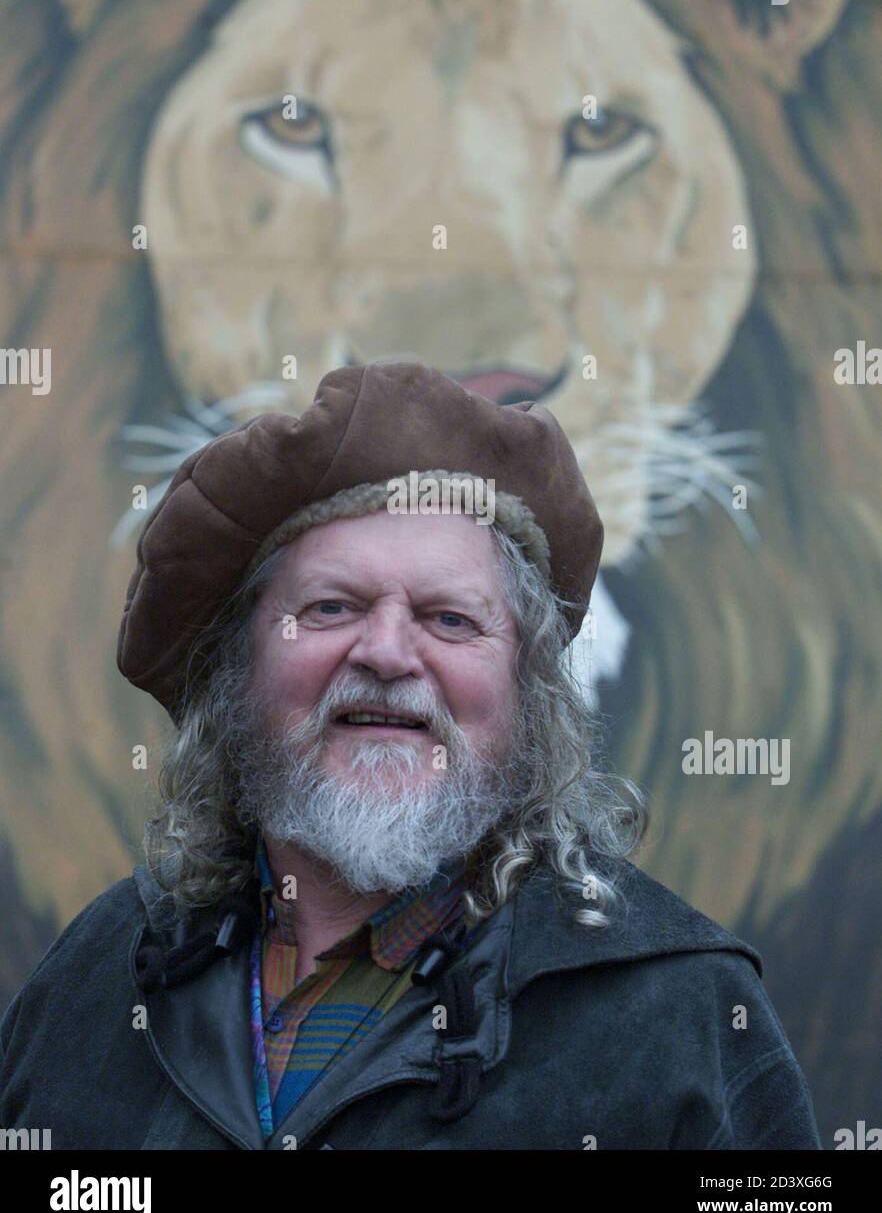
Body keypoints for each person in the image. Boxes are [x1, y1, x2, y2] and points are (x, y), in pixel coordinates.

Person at [0, 361, 821, 1149]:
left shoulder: (677, 1007)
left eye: (450, 619)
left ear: (527, 692)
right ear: (237, 671)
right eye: (330, 607)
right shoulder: (106, 967)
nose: (387, 653)